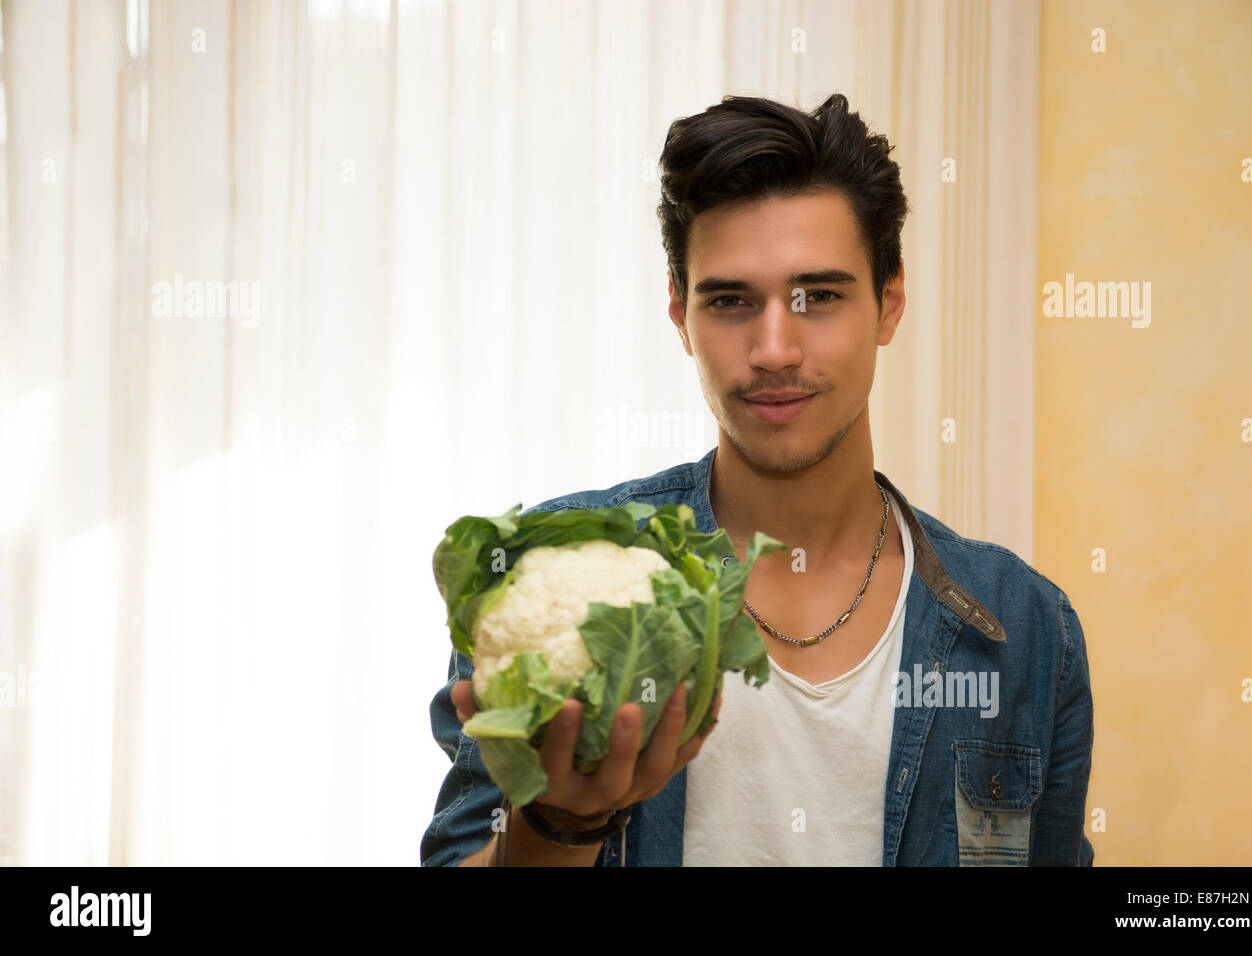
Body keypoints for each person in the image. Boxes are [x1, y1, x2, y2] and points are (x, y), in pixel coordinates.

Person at [420, 92, 1094, 866]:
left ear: (889, 303)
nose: (774, 348)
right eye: (732, 301)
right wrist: (559, 824)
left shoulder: (1025, 631)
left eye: (819, 297)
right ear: (680, 314)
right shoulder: (554, 582)